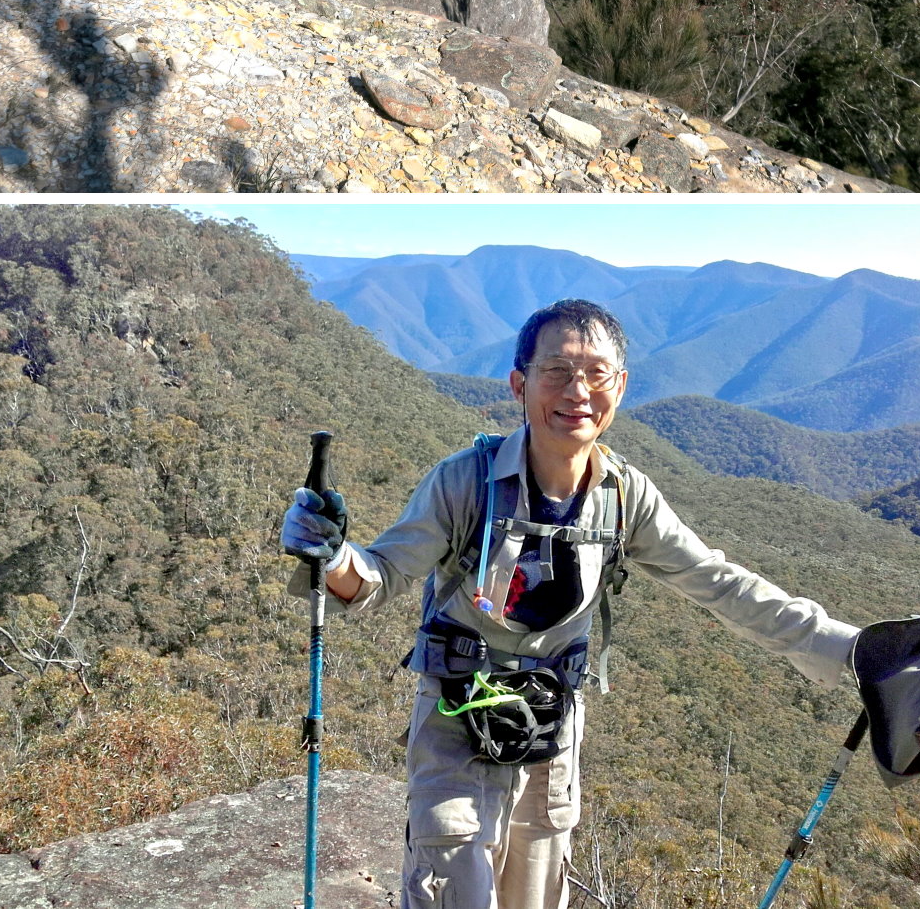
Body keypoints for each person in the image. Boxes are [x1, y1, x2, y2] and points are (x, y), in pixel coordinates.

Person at [282, 298, 861, 909]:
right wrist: (333, 551)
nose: (576, 390)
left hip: (551, 734)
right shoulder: (464, 482)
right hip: (455, 725)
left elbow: (719, 582)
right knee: (452, 892)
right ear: (519, 383)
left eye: (596, 372)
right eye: (556, 370)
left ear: (621, 385)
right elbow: (379, 575)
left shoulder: (624, 496)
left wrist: (852, 649)